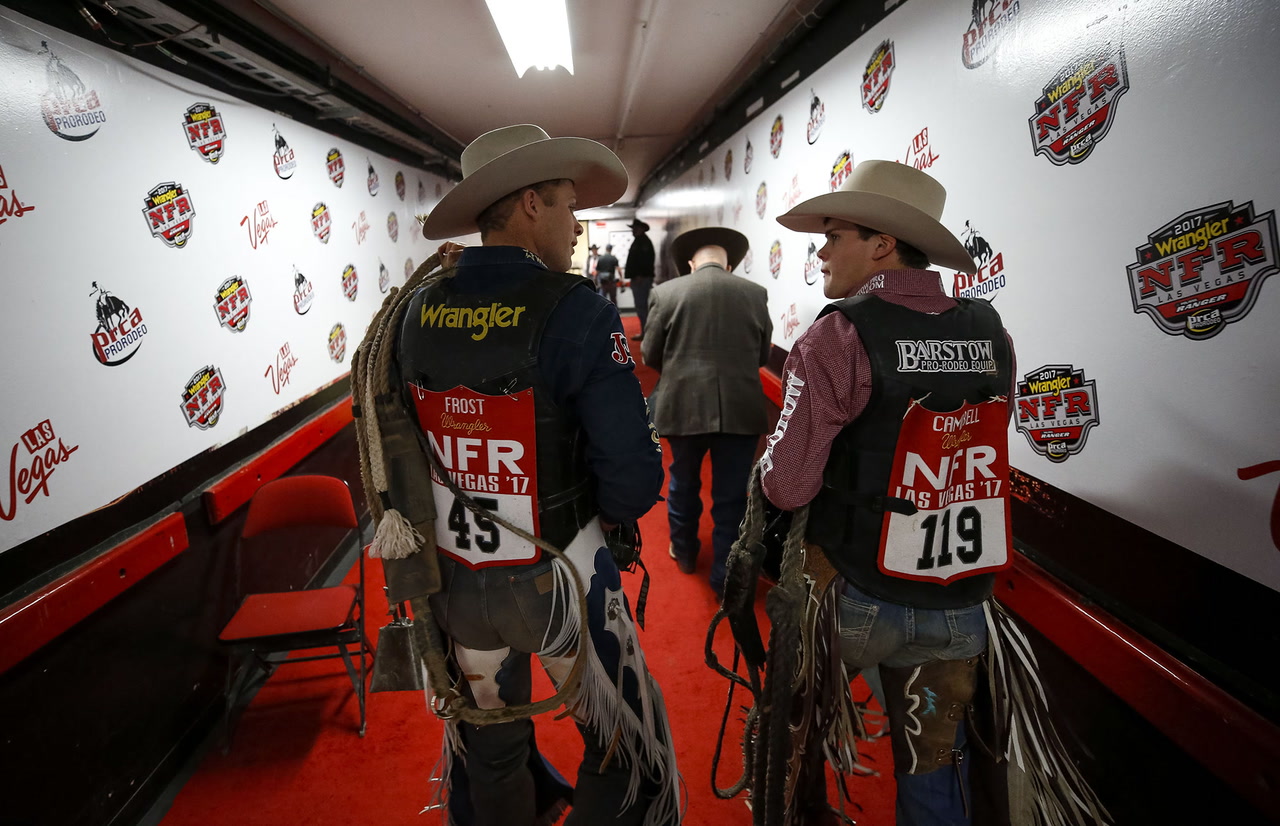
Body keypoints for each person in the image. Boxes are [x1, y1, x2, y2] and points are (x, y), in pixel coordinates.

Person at [400, 124, 679, 826]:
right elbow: (633, 476)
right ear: (530, 204)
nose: (578, 224)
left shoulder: (412, 312)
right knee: (624, 747)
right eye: (567, 205)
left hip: (455, 583)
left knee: (487, 751)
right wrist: (612, 514)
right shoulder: (575, 306)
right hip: (563, 573)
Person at [761, 160, 1015, 825]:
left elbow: (788, 487)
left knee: (793, 744)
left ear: (881, 245)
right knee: (935, 774)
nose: (821, 249)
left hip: (851, 591)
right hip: (958, 601)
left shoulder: (837, 334)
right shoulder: (990, 331)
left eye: (834, 234)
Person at [641, 227, 771, 597]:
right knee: (732, 495)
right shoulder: (754, 293)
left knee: (683, 481)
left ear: (690, 263)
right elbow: (761, 355)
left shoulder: (666, 293)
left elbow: (651, 354)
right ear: (728, 264)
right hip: (741, 407)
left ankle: (683, 551)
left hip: (683, 406)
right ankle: (723, 576)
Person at [626, 218, 656, 340]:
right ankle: (646, 333)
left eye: (636, 228)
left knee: (642, 307)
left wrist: (640, 276)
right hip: (640, 278)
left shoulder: (643, 242)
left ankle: (646, 334)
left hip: (641, 279)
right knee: (642, 307)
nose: (633, 230)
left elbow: (645, 261)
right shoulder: (640, 241)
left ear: (642, 229)